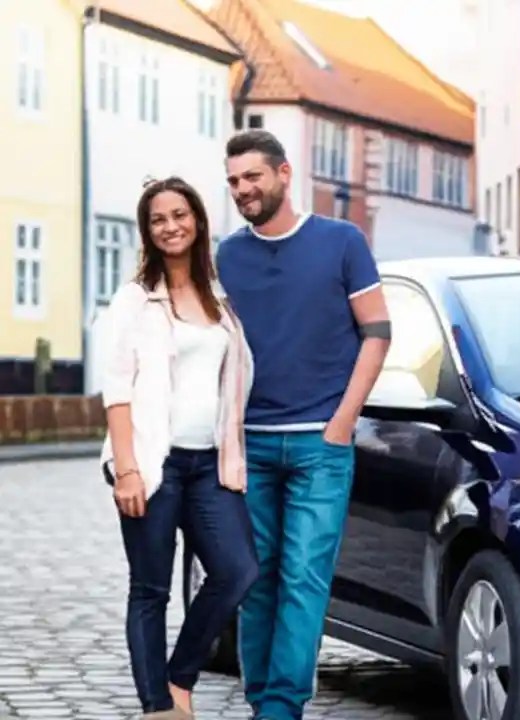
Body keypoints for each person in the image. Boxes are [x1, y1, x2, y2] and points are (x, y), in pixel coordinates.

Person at [215, 129, 391, 720]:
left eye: (252, 177)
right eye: (234, 180)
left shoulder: (341, 242)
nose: (242, 189)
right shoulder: (229, 256)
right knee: (253, 579)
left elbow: (377, 333)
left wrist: (343, 422)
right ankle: (262, 695)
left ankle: (281, 707)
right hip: (251, 445)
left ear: (284, 174)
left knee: (304, 578)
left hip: (321, 444)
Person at [100, 176, 260, 720]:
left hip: (209, 464)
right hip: (152, 464)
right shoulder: (134, 300)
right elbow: (116, 391)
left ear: (197, 220)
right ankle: (157, 707)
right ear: (147, 231)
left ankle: (178, 678)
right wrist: (126, 471)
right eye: (158, 219)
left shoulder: (216, 298)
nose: (171, 226)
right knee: (150, 589)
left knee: (237, 570)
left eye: (179, 214)